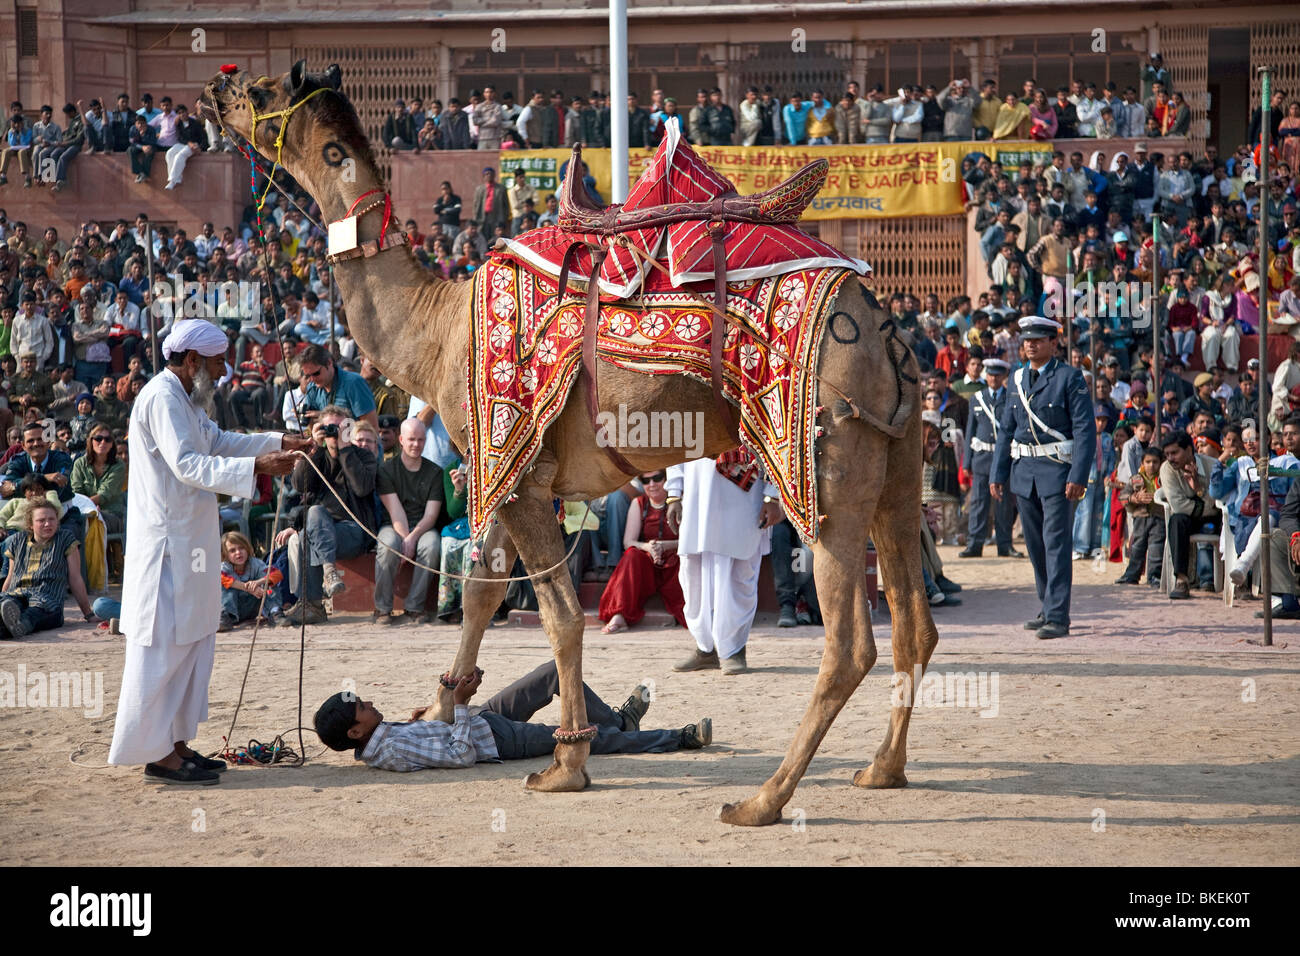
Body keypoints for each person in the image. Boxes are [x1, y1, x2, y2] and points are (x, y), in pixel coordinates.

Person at [107, 319, 304, 785]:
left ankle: (176, 745)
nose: (222, 373)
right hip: (167, 550)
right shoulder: (160, 397)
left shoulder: (187, 399)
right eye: (216, 364)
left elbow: (218, 442)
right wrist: (258, 465)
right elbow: (188, 464)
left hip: (192, 544)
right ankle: (157, 756)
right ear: (192, 360)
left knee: (193, 646)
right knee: (165, 649)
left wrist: (277, 442)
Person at [314, 660, 712, 770]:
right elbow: (459, 755)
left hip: (482, 719)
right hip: (496, 739)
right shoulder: (391, 751)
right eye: (363, 709)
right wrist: (464, 704)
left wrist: (441, 708)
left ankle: (621, 720)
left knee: (552, 674)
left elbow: (437, 733)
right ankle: (678, 737)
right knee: (585, 737)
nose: (370, 705)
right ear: (353, 732)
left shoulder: (384, 734)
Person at [990, 316, 1096, 639]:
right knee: (1035, 547)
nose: (1031, 344)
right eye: (1026, 340)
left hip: (1057, 474)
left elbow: (1084, 430)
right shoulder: (1016, 378)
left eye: (1038, 339)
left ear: (1054, 343)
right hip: (1024, 474)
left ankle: (1058, 616)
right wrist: (998, 472)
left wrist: (1079, 474)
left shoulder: (1069, 377)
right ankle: (1046, 605)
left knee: (1056, 545)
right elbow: (1007, 428)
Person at [667, 450, 781, 675]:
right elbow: (679, 440)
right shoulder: (693, 412)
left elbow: (776, 442)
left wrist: (773, 495)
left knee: (739, 574)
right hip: (696, 497)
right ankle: (705, 648)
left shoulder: (760, 411)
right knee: (694, 573)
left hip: (745, 497)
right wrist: (674, 493)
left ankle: (734, 650)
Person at [277, 405, 377, 625]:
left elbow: (362, 488)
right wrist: (315, 448)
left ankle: (311, 602)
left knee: (310, 530)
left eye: (339, 427)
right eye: (329, 427)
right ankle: (316, 596)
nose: (333, 431)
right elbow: (300, 484)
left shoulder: (363, 456)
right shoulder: (317, 457)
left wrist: (344, 449)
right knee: (311, 522)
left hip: (354, 529)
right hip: (320, 529)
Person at [373, 418, 443, 625]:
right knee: (387, 547)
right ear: (401, 440)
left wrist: (413, 538)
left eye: (421, 440)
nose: (416, 444)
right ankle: (382, 608)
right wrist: (406, 539)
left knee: (431, 546)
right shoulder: (386, 470)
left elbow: (431, 515)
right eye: (411, 439)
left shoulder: (435, 473)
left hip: (422, 526)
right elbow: (395, 511)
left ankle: (414, 607)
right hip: (393, 524)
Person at [598, 470, 686, 634]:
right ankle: (620, 614)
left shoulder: (680, 502)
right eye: (646, 481)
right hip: (650, 562)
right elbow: (628, 542)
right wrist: (649, 547)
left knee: (687, 558)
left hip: (675, 560)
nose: (652, 484)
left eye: (657, 478)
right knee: (632, 554)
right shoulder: (639, 503)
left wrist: (664, 545)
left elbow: (691, 542)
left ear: (667, 480)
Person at [0, 498, 95, 638]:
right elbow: (10, 577)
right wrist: (3, 598)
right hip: (18, 595)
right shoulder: (17, 540)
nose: (47, 524)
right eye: (41, 520)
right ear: (30, 524)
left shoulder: (65, 539)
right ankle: (8, 626)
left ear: (57, 521)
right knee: (10, 604)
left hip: (48, 602)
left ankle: (21, 626)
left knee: (35, 611)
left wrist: (88, 614)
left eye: (52, 519)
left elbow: (75, 578)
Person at [960, 358, 1021, 558]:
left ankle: (1005, 545)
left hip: (1002, 457)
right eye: (990, 374)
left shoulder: (1011, 398)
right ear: (986, 376)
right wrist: (966, 462)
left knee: (1004, 505)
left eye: (997, 375)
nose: (993, 378)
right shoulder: (977, 399)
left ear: (1004, 376)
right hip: (982, 458)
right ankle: (974, 544)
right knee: (979, 503)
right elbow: (970, 432)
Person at [1159, 430, 1219, 600]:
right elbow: (1178, 505)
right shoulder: (1167, 469)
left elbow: (1220, 501)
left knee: (1231, 520)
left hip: (1213, 519)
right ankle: (1182, 580)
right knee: (1177, 520)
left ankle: (1239, 582)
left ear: (1188, 450)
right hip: (1189, 518)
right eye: (1167, 454)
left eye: (1175, 453)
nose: (1170, 458)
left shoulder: (1212, 465)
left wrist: (1199, 490)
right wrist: (1207, 504)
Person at [1116, 446, 1167, 587]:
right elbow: (1122, 497)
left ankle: (1154, 576)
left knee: (1156, 548)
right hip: (1140, 518)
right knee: (1137, 547)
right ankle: (1132, 575)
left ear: (1161, 462)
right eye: (1148, 462)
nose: (1151, 465)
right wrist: (1135, 498)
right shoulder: (1135, 480)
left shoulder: (1164, 479)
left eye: (1155, 462)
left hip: (1159, 518)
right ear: (1142, 463)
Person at [69, 423, 126, 535]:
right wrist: (89, 508)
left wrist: (89, 508)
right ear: (91, 441)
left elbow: (105, 493)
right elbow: (76, 492)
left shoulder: (119, 465)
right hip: (83, 511)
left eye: (107, 439)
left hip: (112, 515)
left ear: (112, 444)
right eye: (98, 439)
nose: (103, 442)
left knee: (91, 521)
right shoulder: (80, 463)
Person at [219, 530, 282, 630]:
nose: (238, 553)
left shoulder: (255, 563)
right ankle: (225, 617)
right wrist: (248, 588)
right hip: (232, 607)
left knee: (269, 583)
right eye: (232, 551)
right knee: (225, 587)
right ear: (225, 554)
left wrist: (258, 582)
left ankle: (275, 612)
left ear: (247, 549)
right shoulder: (224, 567)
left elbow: (277, 574)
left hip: (252, 606)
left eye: (241, 548)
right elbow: (221, 578)